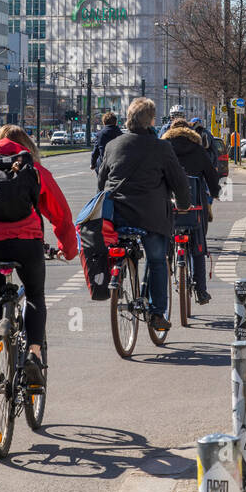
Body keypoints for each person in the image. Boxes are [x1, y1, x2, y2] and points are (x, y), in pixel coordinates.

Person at [0, 124, 78, 390]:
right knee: (35, 294)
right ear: (27, 145)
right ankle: (33, 355)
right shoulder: (33, 169)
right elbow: (60, 215)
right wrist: (68, 250)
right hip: (25, 242)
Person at [97, 97, 190, 332]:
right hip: (152, 216)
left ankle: (120, 273)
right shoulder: (162, 147)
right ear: (151, 121)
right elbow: (179, 182)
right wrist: (183, 204)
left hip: (117, 215)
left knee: (122, 249)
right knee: (157, 260)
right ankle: (158, 313)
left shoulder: (113, 145)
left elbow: (101, 182)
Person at [161, 118, 221, 303]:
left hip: (169, 206)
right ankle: (201, 291)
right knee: (199, 245)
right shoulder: (197, 148)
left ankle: (165, 276)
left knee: (164, 241)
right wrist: (215, 191)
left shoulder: (164, 148)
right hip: (195, 205)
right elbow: (211, 174)